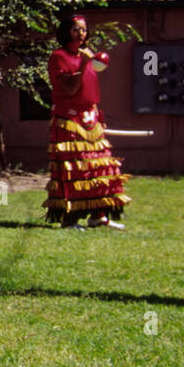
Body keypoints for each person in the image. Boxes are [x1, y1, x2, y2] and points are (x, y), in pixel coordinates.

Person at [44, 14, 129, 229]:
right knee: (76, 168)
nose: (81, 34)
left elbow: (90, 92)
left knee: (99, 168)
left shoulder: (88, 58)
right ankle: (70, 219)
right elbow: (70, 88)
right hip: (69, 120)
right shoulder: (59, 57)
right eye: (76, 29)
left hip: (91, 120)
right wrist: (83, 62)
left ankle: (98, 215)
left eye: (83, 29)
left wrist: (99, 118)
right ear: (66, 32)